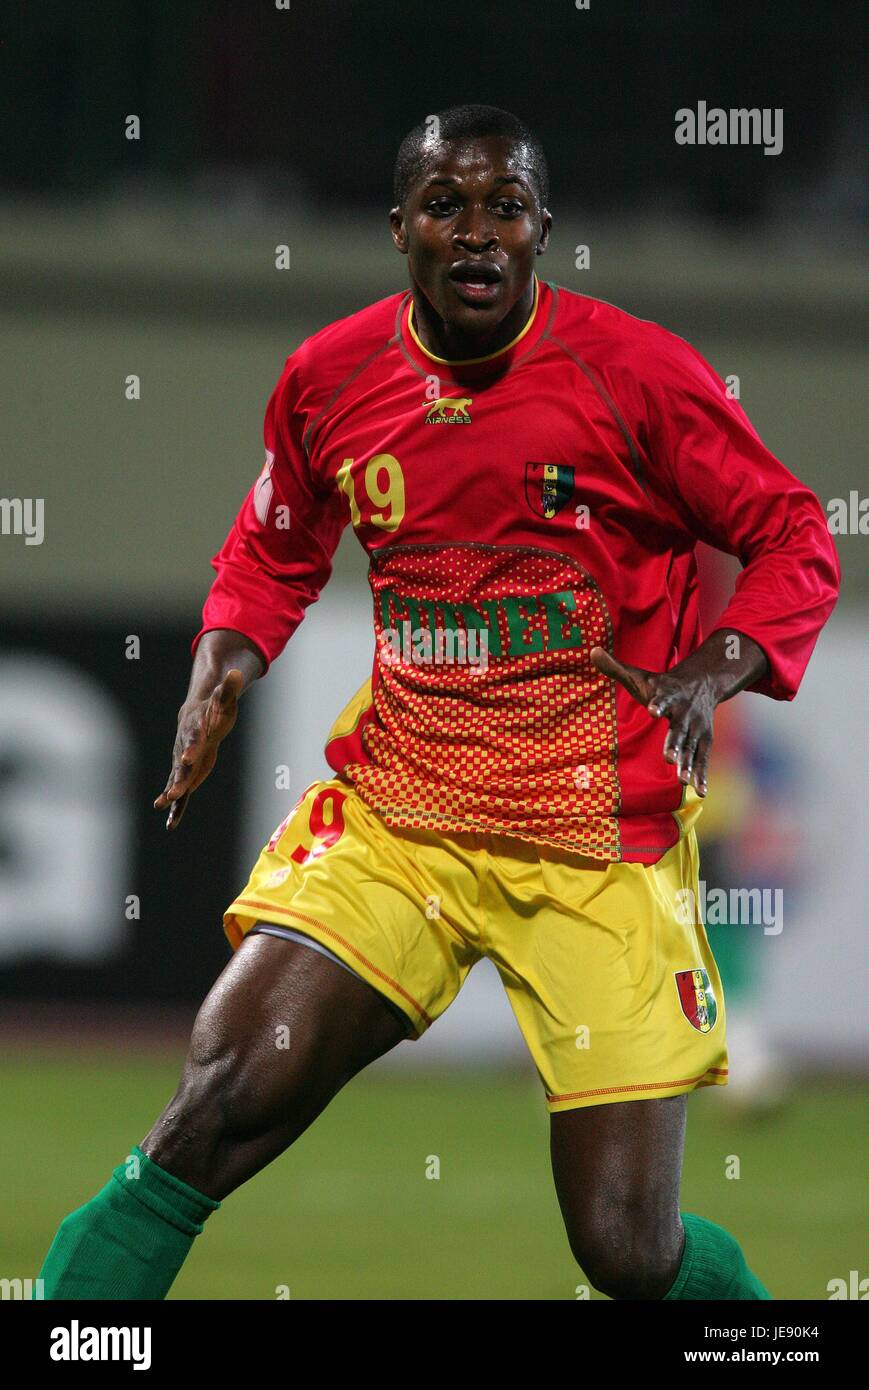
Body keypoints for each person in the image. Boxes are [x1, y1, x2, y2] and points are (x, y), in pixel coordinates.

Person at [37, 104, 840, 1300]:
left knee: (623, 1247)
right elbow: (274, 543)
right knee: (221, 1095)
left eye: (503, 208)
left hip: (592, 841)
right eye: (444, 206)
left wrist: (715, 666)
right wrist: (226, 654)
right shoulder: (329, 376)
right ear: (398, 227)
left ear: (540, 231)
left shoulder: (636, 376)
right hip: (402, 817)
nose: (475, 234)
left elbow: (789, 533)